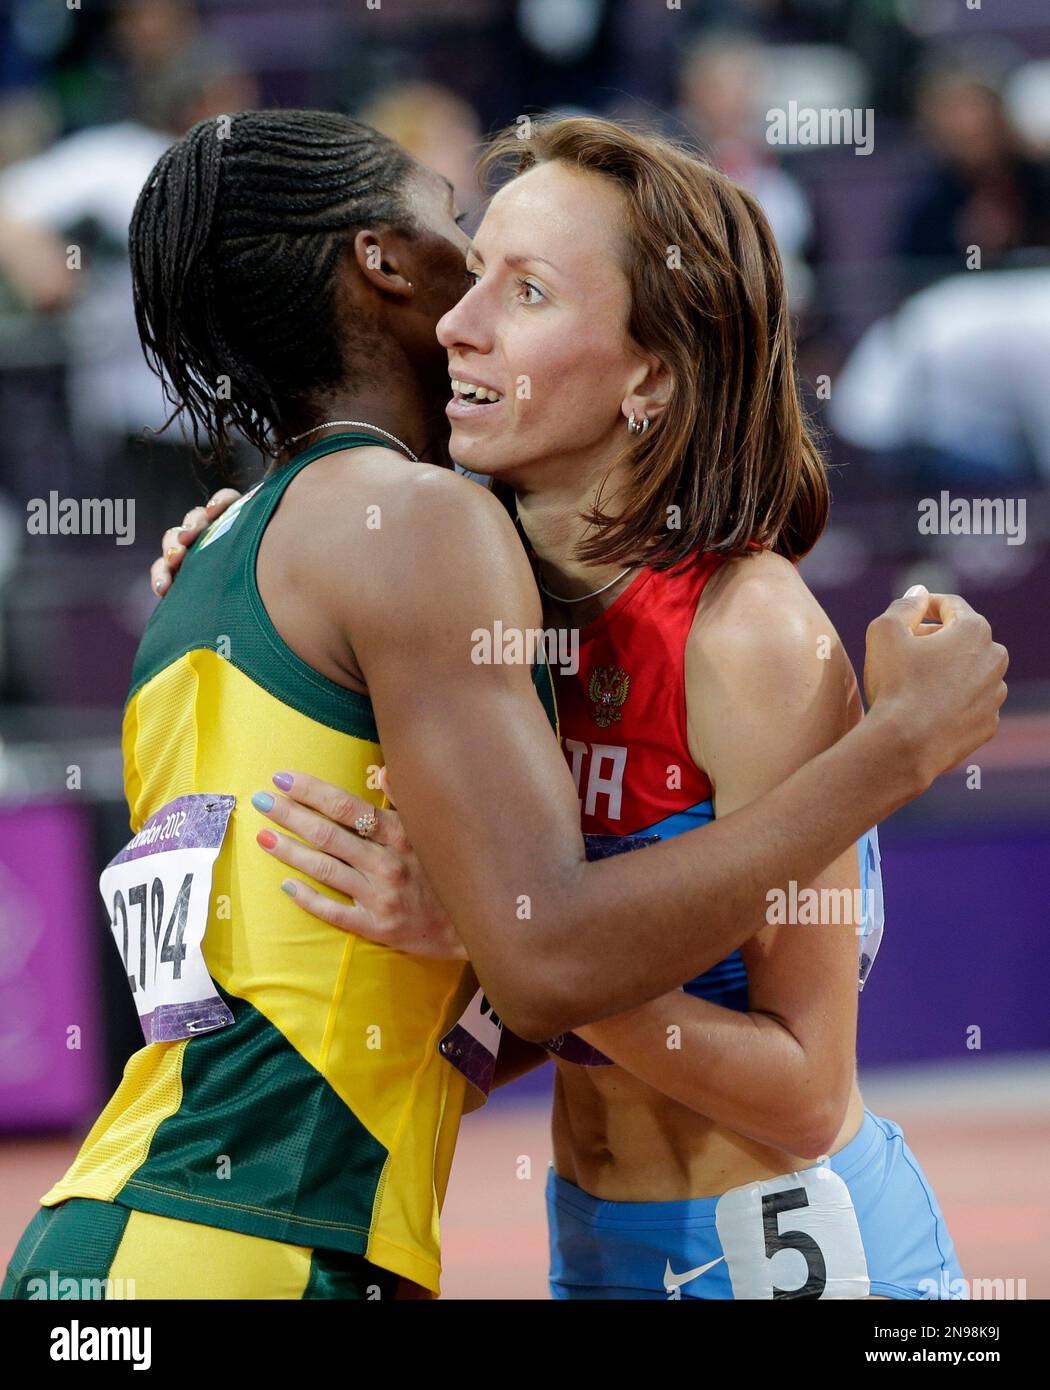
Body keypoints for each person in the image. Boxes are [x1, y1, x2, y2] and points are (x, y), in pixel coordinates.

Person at [5, 110, 1004, 1304]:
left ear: (649, 371)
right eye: (472, 274)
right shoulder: (468, 614)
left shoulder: (751, 631)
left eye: (523, 291)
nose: (460, 323)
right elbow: (503, 1021)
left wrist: (499, 939)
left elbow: (802, 1091)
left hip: (798, 1250)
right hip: (589, 1247)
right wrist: (249, 553)